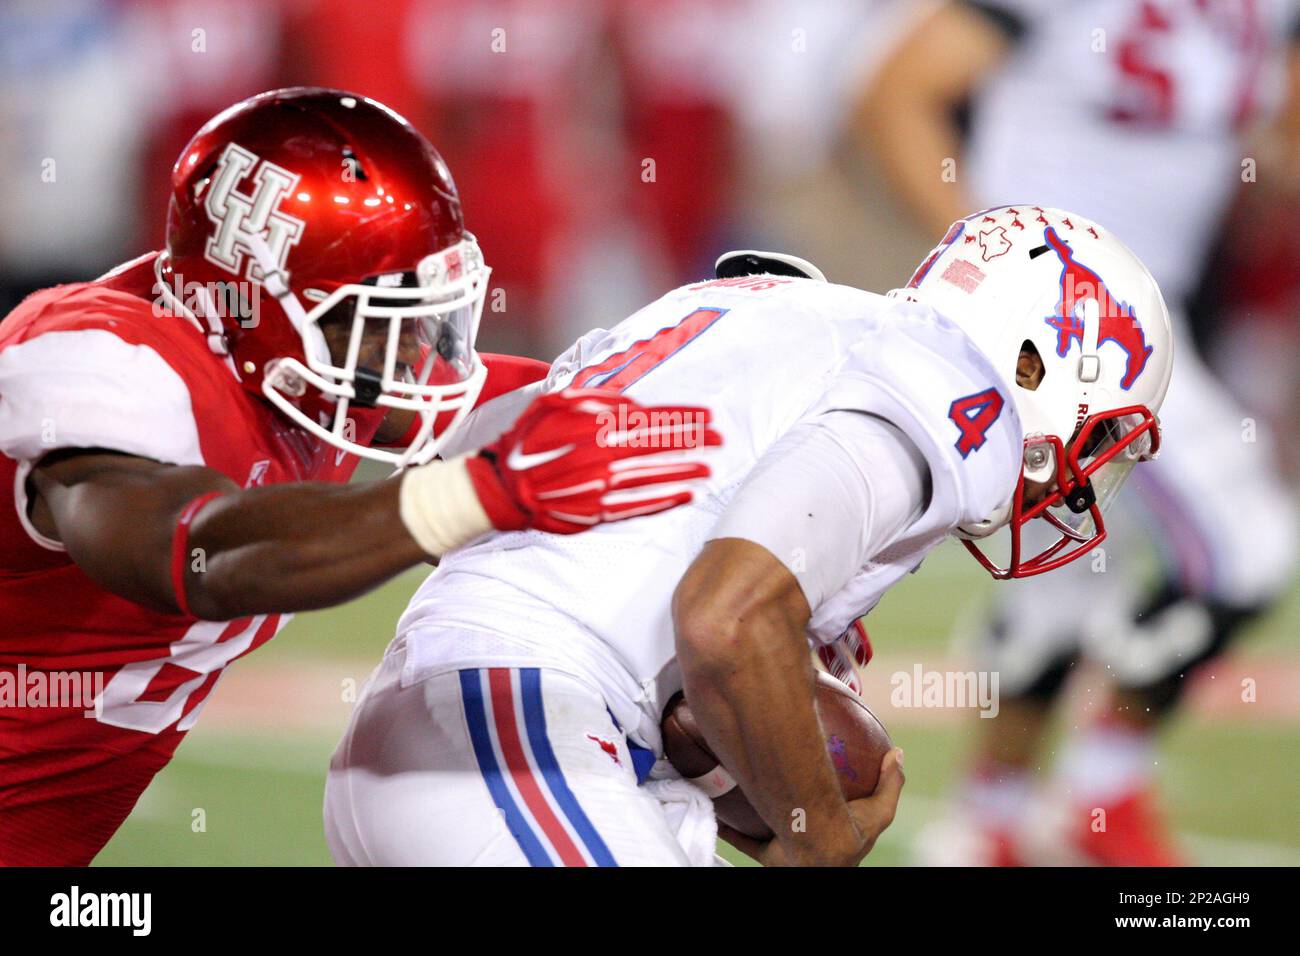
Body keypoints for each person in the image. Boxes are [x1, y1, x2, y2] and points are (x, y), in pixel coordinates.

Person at [323, 206, 1173, 866]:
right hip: (514, 729)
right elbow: (725, 619)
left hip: (470, 725)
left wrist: (751, 744)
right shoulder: (956, 394)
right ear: (1032, 362)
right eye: (1098, 440)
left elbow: (689, 668)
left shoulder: (774, 307)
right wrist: (818, 836)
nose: (1085, 473)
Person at [0, 87, 717, 866]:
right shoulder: (101, 361)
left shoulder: (308, 370)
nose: (413, 352)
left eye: (423, 314)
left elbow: (581, 407)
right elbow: (197, 555)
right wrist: (467, 495)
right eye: (382, 318)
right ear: (256, 302)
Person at [855, 0, 1300, 865]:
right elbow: (897, 92)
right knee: (1246, 550)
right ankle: (1103, 798)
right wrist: (988, 275)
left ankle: (990, 819)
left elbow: (1274, 139)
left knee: (1062, 578)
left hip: (1147, 313)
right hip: (1067, 328)